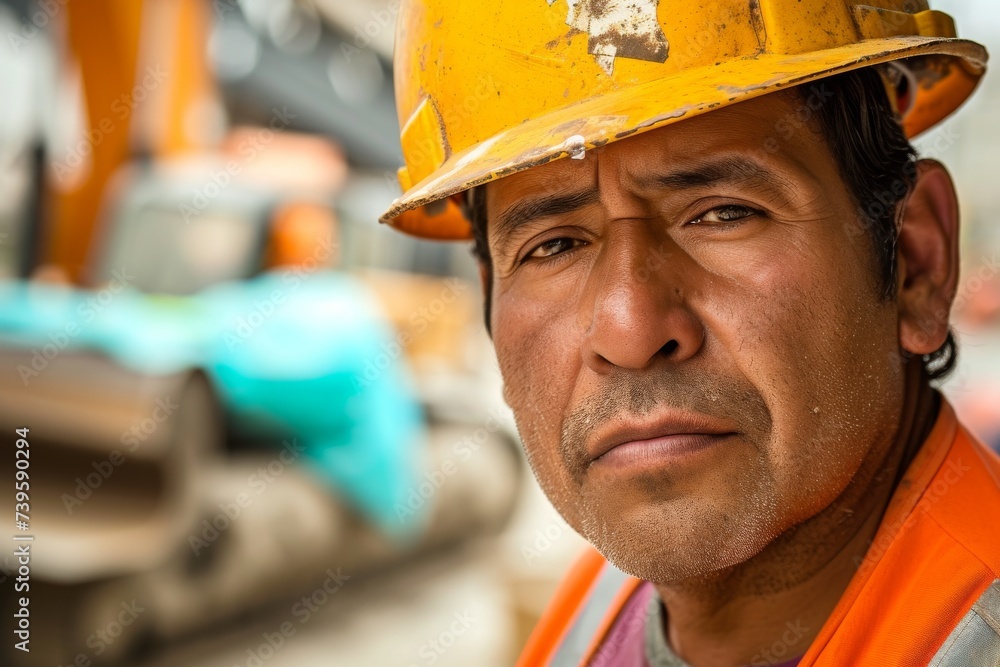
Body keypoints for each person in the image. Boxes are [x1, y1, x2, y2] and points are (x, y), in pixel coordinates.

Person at [382, 1, 999, 664]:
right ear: (490, 299)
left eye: (723, 213)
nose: (629, 329)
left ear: (915, 261)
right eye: (554, 245)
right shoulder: (601, 608)